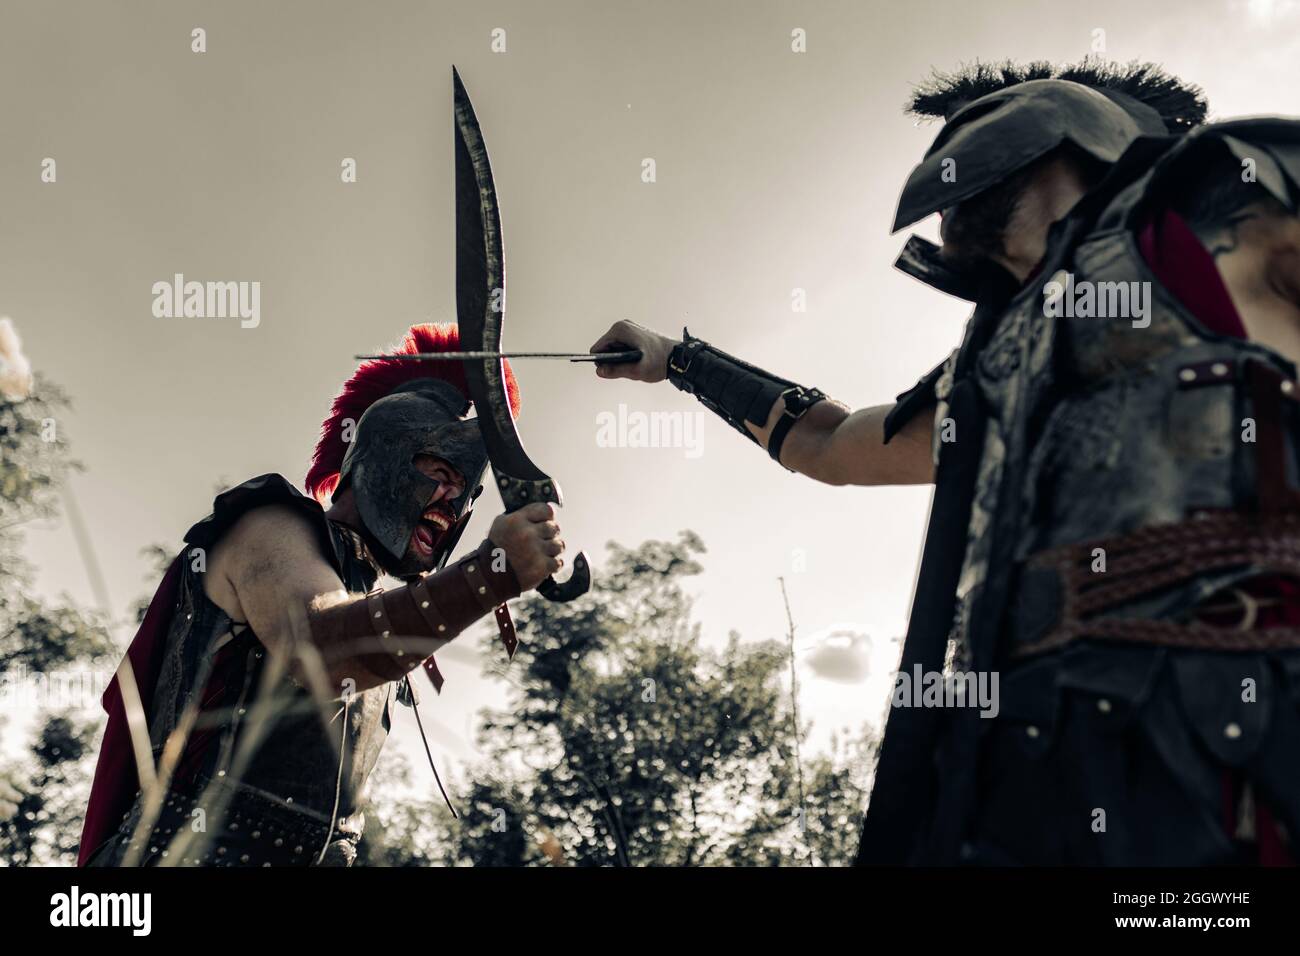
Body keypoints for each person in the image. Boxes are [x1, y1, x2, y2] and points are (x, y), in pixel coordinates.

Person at [590, 59, 1300, 864]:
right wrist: (679, 359)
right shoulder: (993, 364)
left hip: (1235, 755)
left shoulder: (1224, 201)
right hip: (1014, 780)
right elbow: (827, 445)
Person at [79, 323, 565, 867]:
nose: (453, 504)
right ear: (384, 452)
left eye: (466, 494)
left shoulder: (371, 594)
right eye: (441, 472)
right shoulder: (273, 526)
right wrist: (486, 578)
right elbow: (317, 646)